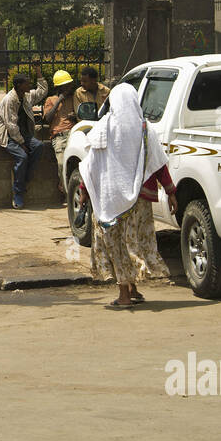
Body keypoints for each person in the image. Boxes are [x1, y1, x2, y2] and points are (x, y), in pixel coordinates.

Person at [82, 84, 178, 309]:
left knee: (116, 245)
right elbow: (158, 165)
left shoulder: (103, 128)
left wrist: (84, 193)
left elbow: (91, 166)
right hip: (140, 201)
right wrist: (171, 192)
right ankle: (133, 289)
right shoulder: (145, 129)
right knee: (134, 243)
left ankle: (124, 295)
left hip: (111, 200)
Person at [0, 73, 47, 209]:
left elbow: (42, 92)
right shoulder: (9, 100)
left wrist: (38, 72)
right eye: (26, 83)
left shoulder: (26, 96)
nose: (29, 85)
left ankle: (23, 179)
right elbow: (10, 126)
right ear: (19, 86)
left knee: (39, 146)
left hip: (23, 135)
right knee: (22, 157)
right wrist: (21, 144)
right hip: (7, 136)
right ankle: (18, 192)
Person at [41, 70, 78, 203]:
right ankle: (66, 192)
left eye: (69, 85)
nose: (69, 88)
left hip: (74, 133)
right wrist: (59, 101)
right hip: (59, 136)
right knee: (62, 163)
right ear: (59, 87)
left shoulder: (75, 97)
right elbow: (47, 118)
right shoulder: (51, 100)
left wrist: (75, 117)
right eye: (65, 85)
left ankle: (75, 191)